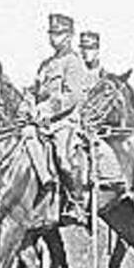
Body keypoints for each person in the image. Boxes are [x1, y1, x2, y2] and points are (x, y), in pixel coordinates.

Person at [30, 13, 93, 228]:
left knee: (62, 156)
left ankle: (77, 204)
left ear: (69, 36)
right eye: (52, 33)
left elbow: (72, 96)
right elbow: (35, 91)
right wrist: (27, 106)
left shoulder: (73, 62)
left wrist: (48, 110)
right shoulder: (46, 64)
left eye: (59, 33)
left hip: (65, 121)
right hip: (42, 121)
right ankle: (43, 190)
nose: (54, 38)